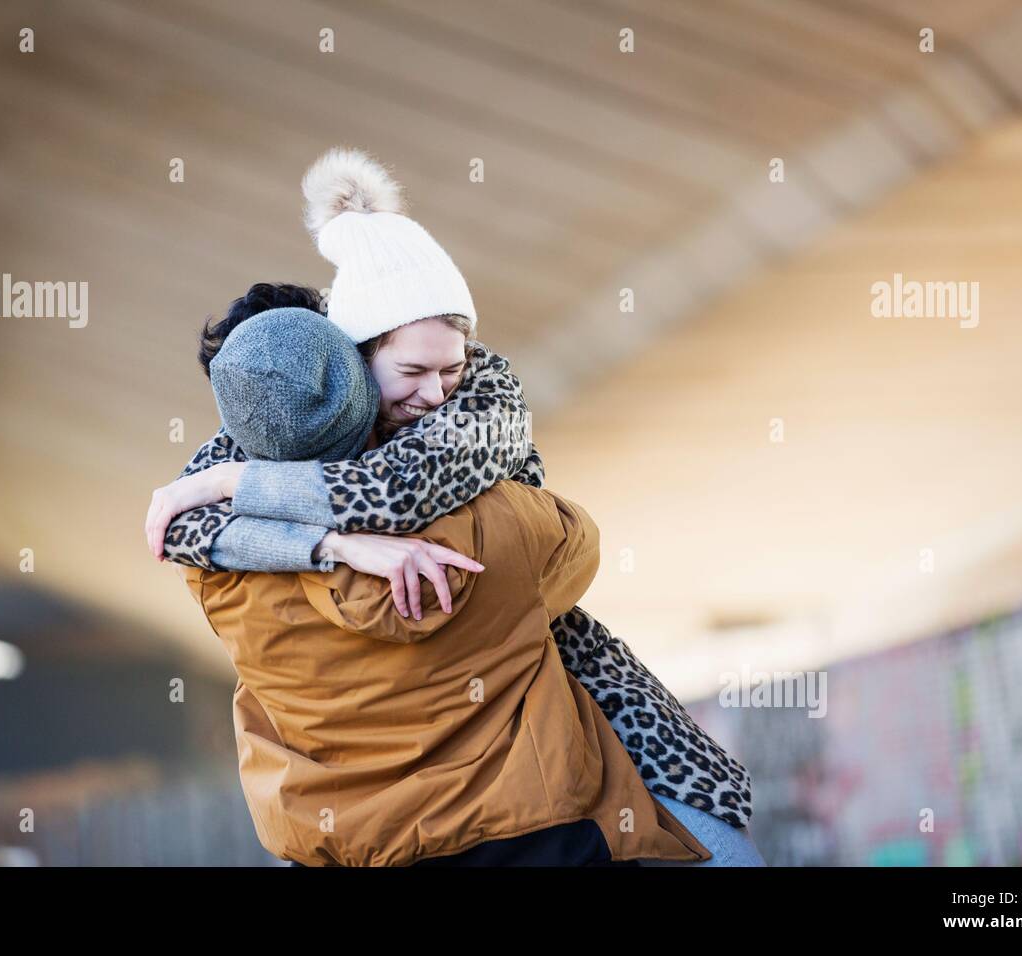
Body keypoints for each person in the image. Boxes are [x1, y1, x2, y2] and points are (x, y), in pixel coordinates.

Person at [145, 147, 764, 864]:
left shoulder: (485, 405)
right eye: (411, 371)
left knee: (714, 829)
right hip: (527, 784)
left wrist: (226, 489)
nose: (436, 391)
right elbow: (183, 527)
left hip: (351, 821)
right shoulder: (303, 418)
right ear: (352, 360)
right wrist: (338, 547)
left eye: (452, 366)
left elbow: (394, 488)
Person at [181, 306, 712, 866]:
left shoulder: (212, 566)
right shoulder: (497, 523)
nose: (433, 395)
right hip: (530, 833)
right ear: (359, 378)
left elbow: (189, 526)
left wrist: (312, 534)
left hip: (344, 848)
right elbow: (579, 547)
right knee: (722, 844)